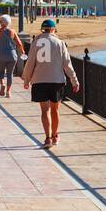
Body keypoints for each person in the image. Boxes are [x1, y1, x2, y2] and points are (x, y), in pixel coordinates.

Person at [21, 18, 79, 149]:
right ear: (53, 29)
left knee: (44, 110)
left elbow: (30, 62)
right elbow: (67, 64)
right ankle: (55, 135)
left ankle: (47, 138)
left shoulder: (36, 42)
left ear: (42, 29)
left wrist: (26, 79)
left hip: (40, 80)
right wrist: (74, 80)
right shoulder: (59, 43)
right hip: (56, 81)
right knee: (55, 109)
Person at [0, 15, 24, 98]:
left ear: (2, 22)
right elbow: (19, 43)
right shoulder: (12, 31)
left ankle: (2, 84)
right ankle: (8, 92)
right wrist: (22, 52)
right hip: (12, 55)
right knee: (10, 74)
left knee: (0, 72)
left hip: (1, 55)